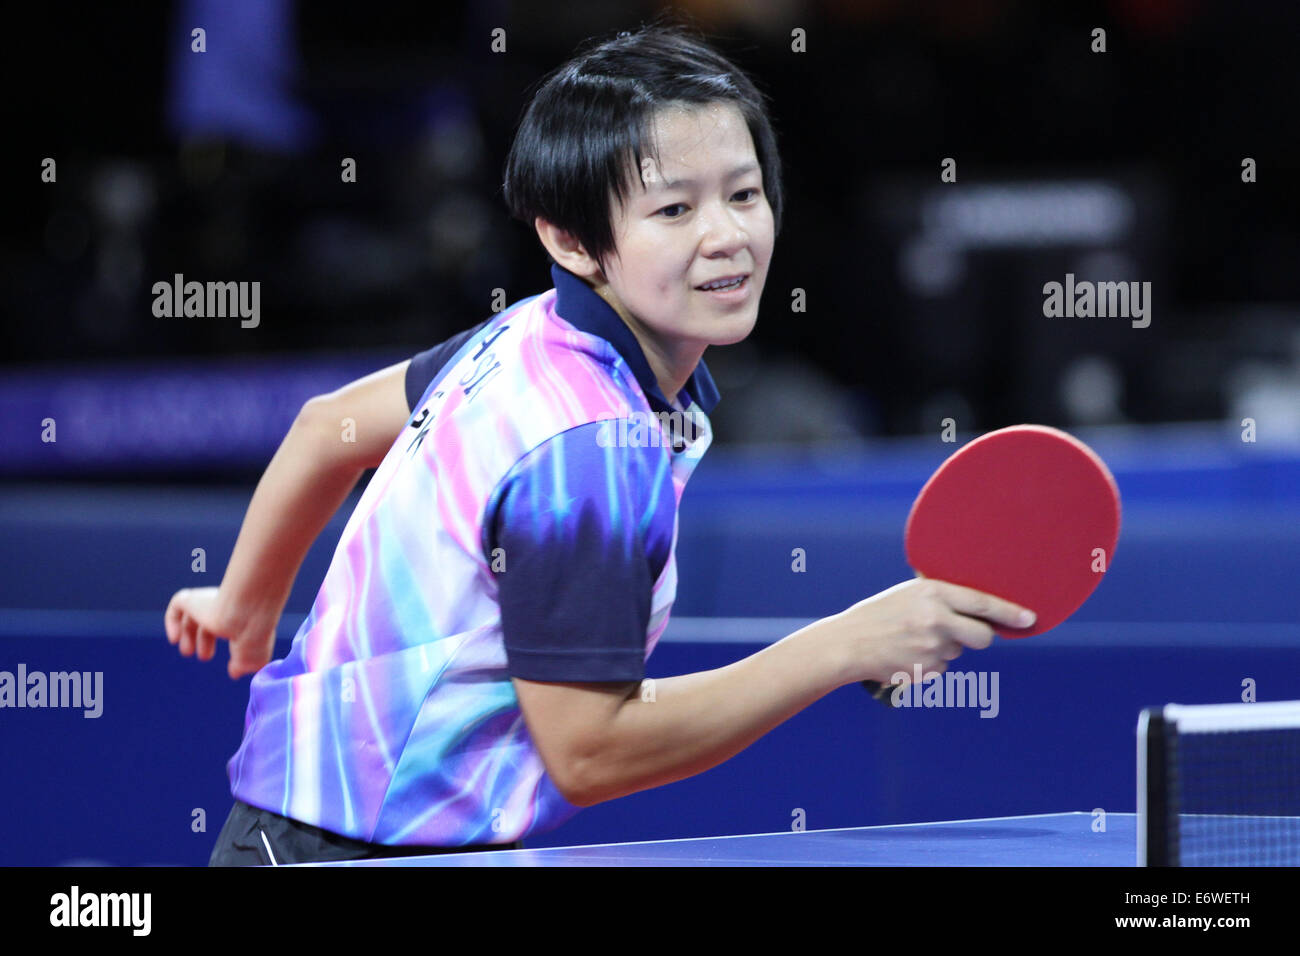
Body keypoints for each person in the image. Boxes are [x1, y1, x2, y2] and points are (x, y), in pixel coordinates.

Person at [165, 21, 1035, 867]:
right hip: (347, 849)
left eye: (742, 193)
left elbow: (327, 428)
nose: (727, 235)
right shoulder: (589, 452)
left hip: (326, 833)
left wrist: (246, 603)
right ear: (570, 239)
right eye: (673, 208)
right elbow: (589, 749)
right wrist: (843, 646)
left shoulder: (528, 335)